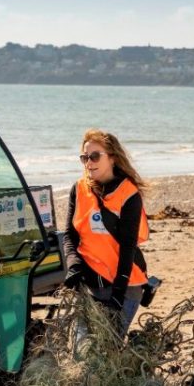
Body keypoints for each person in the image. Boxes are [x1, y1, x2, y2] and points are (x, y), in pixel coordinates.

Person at [62, 129, 150, 334]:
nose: (88, 162)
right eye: (84, 157)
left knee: (107, 353)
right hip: (90, 285)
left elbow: (128, 247)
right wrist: (73, 264)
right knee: (81, 352)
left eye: (94, 156)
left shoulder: (129, 194)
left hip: (124, 285)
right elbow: (69, 235)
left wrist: (118, 292)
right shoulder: (79, 189)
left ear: (112, 158)